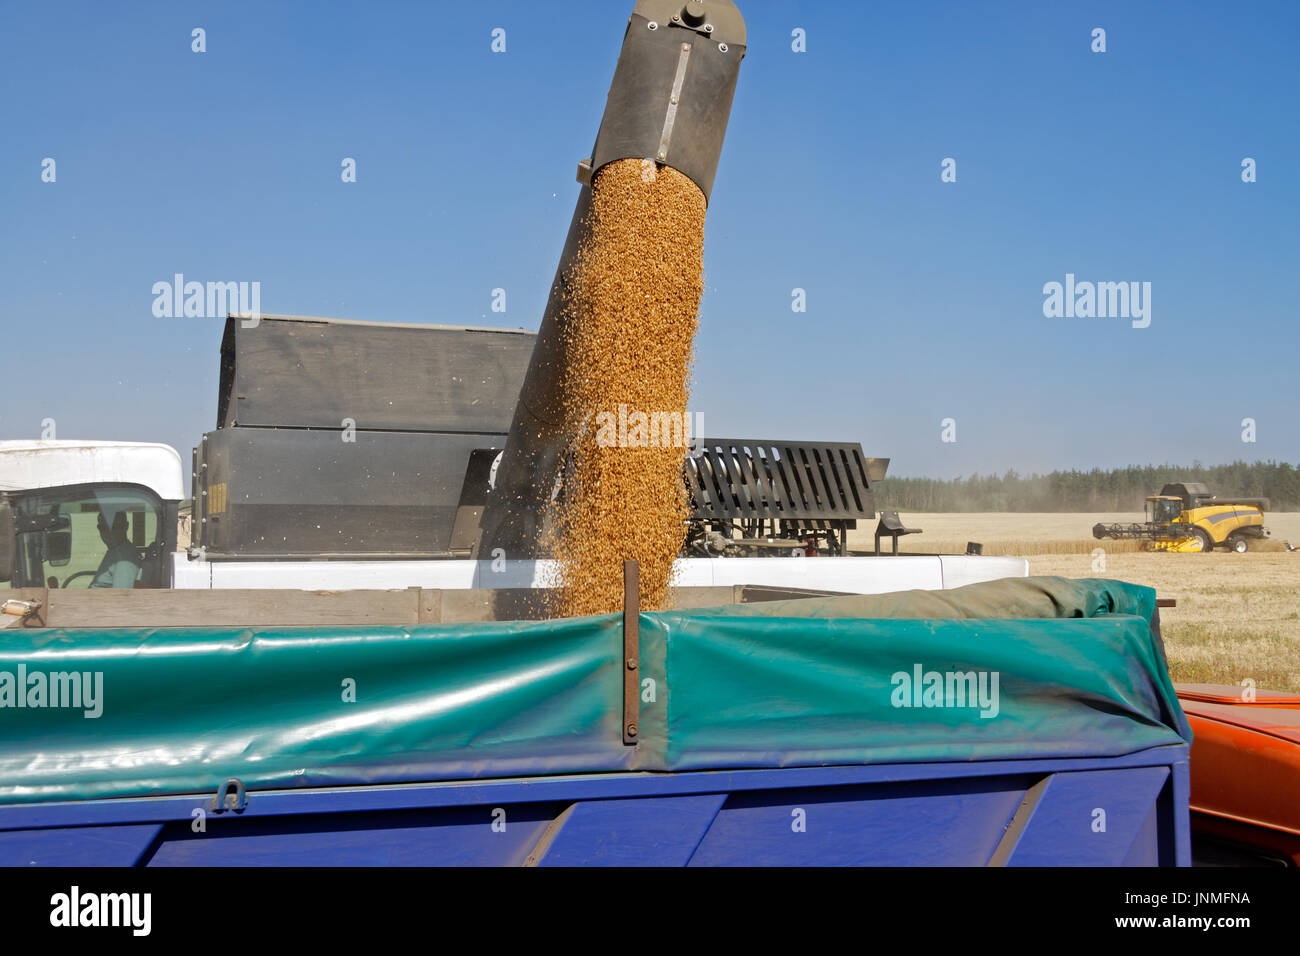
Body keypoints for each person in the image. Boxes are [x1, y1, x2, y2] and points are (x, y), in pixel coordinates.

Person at [90, 511, 141, 588]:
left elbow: (121, 596)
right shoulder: (116, 551)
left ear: (126, 526)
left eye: (113, 527)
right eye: (103, 528)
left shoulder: (125, 559)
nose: (108, 532)